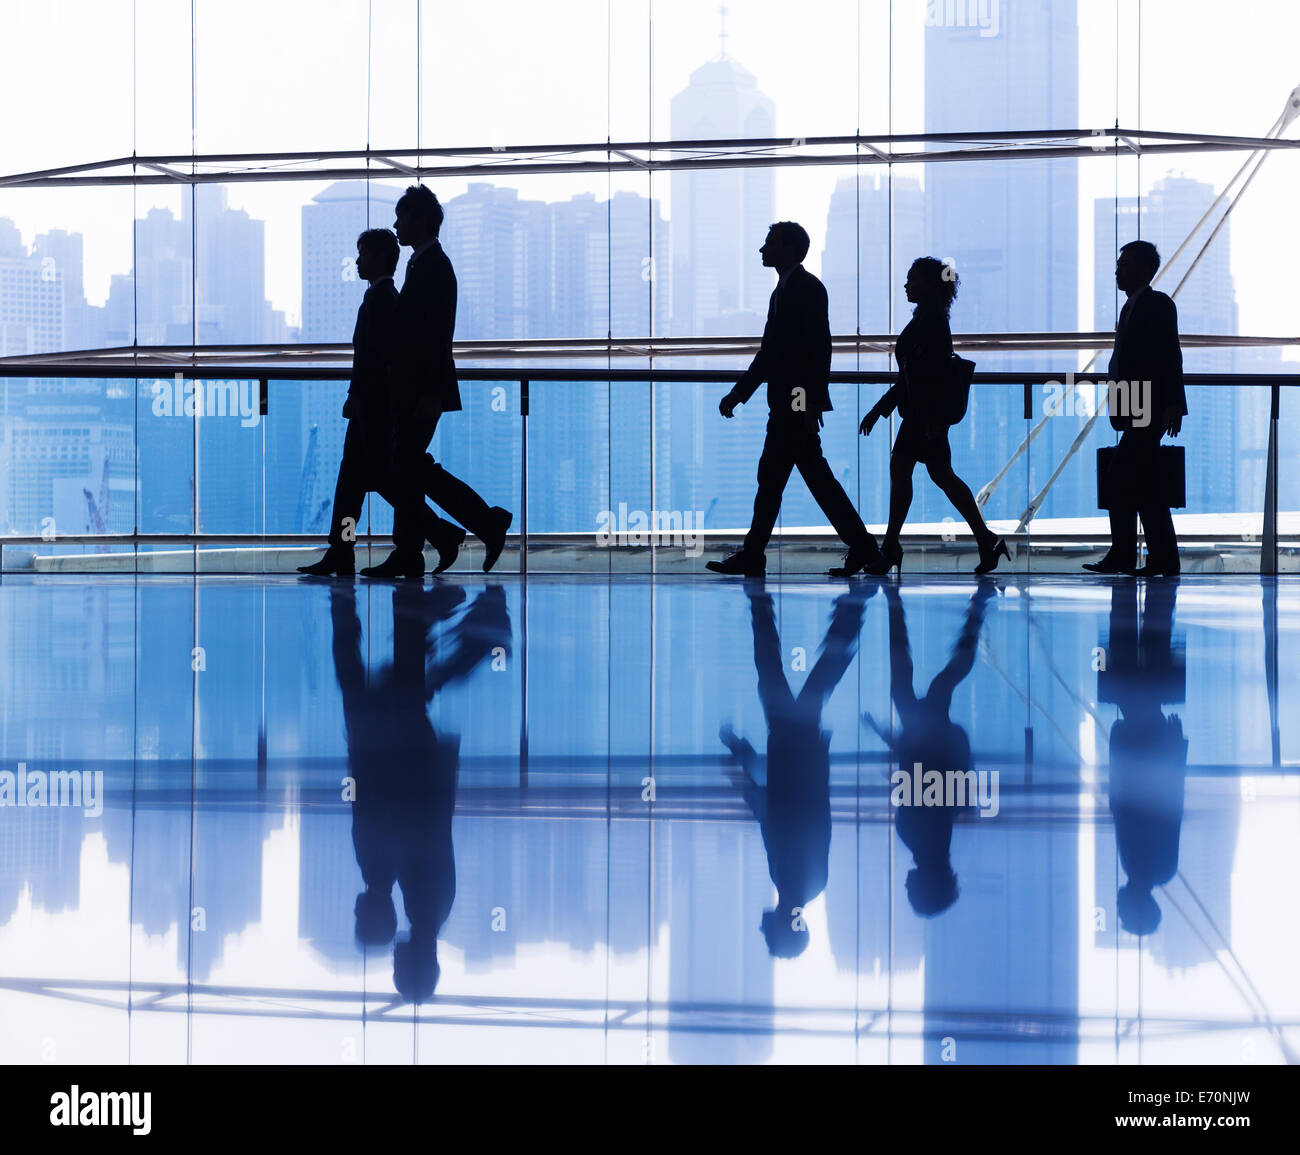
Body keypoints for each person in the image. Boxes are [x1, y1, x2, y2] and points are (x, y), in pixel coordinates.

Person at [707, 222, 883, 579]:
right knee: (804, 479)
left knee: (779, 479)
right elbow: (774, 353)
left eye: (768, 243)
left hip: (794, 406)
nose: (761, 249)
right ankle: (862, 548)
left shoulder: (805, 290)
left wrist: (804, 406)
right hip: (791, 404)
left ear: (788, 250)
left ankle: (756, 555)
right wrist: (742, 393)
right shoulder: (786, 291)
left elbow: (816, 353)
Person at [361, 185, 513, 580]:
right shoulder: (420, 265)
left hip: (421, 392)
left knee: (405, 467)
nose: (396, 225)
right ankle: (470, 527)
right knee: (410, 468)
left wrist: (428, 393)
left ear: (421, 220)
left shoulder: (434, 268)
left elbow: (436, 335)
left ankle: (426, 546)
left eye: (402, 217)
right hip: (414, 390)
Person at [719, 587, 870, 956]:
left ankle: (851, 612)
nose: (760, 925)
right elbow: (771, 812)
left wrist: (745, 755)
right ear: (781, 925)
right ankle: (767, 604)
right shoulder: (788, 879)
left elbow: (801, 813)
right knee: (774, 672)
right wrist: (740, 757)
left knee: (811, 681)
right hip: (791, 751)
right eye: (767, 932)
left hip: (806, 757)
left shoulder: (813, 883)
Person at [299, 229, 448, 578]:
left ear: (380, 258)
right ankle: (343, 548)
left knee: (375, 482)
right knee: (361, 484)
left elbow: (372, 360)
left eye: (363, 255)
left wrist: (356, 396)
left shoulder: (381, 301)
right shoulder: (383, 298)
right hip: (373, 409)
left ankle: (433, 533)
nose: (358, 262)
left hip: (372, 411)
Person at [859, 257, 1008, 575]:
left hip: (923, 418)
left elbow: (925, 377)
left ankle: (891, 548)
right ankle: (985, 540)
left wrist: (922, 422)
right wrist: (881, 410)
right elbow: (913, 376)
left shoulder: (932, 322)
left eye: (912, 279)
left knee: (909, 474)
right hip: (923, 416)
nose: (906, 285)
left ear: (928, 284)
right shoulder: (931, 318)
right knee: (938, 476)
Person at [1085, 239, 1186, 578]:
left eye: (1125, 264)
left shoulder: (1157, 305)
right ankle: (1158, 558)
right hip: (1137, 405)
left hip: (1150, 406)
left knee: (1122, 477)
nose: (1118, 270)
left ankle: (1129, 554)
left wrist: (1173, 404)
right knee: (1143, 484)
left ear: (1143, 269)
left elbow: (1170, 356)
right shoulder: (1132, 307)